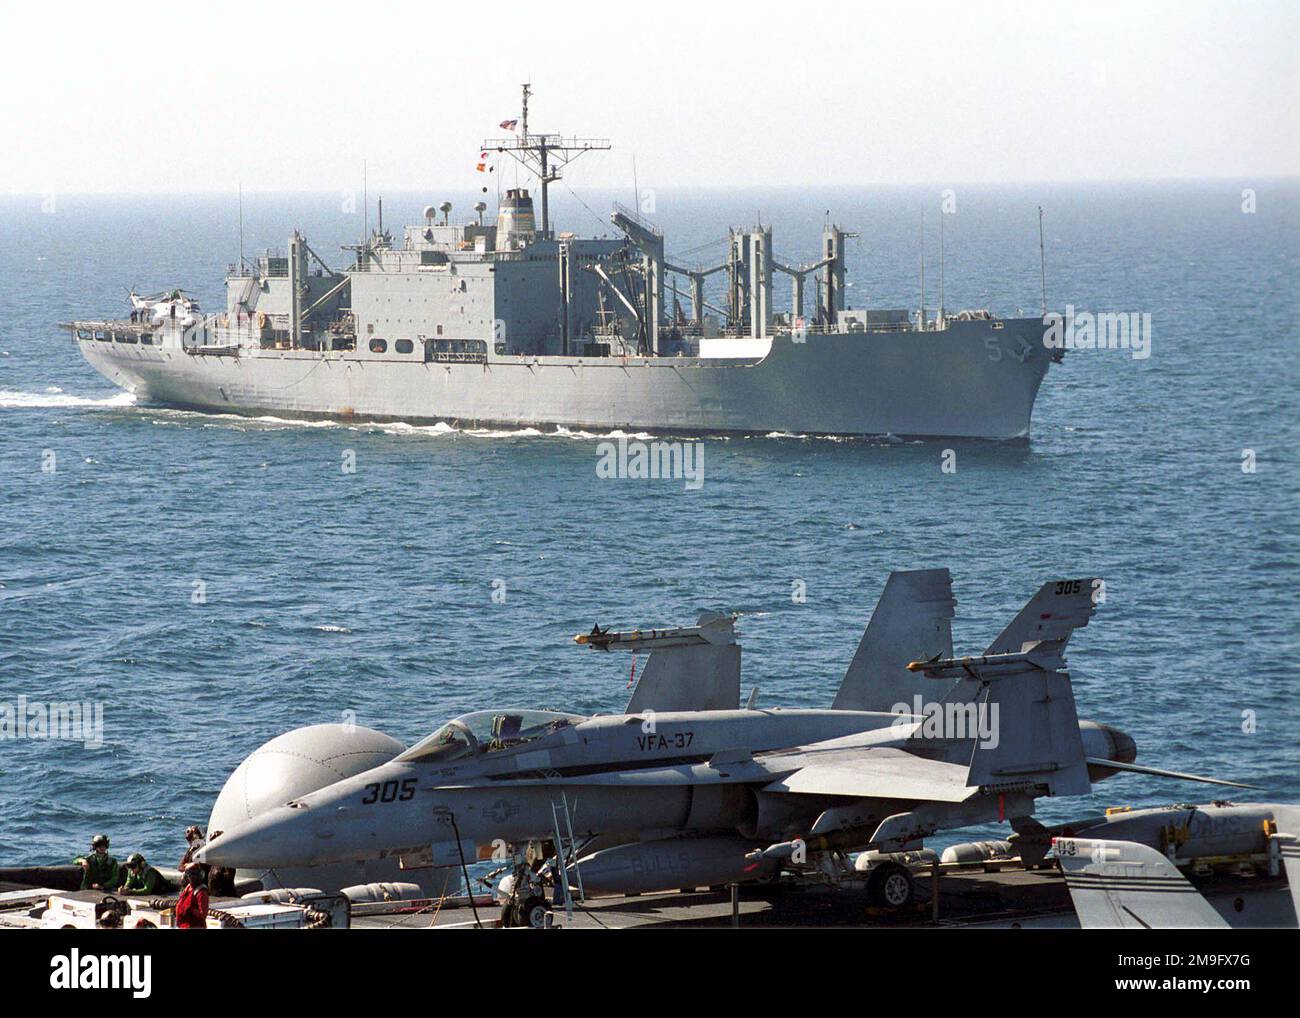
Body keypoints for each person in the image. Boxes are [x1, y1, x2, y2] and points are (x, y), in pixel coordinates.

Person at [175, 865, 209, 929]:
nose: (192, 877)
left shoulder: (201, 892)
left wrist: (191, 911)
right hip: (182, 926)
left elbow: (203, 914)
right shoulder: (188, 887)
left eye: (195, 874)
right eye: (190, 874)